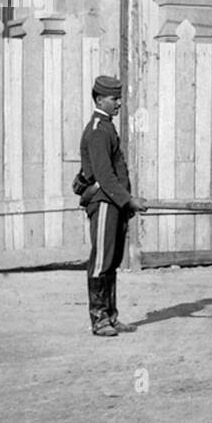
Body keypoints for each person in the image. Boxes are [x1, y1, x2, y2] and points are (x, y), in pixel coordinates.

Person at [79, 75, 147, 337]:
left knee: (112, 260)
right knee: (101, 262)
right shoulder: (98, 129)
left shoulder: (106, 126)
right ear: (99, 99)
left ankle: (111, 316)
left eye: (119, 97)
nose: (119, 103)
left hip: (114, 202)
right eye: (113, 98)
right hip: (105, 202)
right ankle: (98, 320)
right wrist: (129, 200)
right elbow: (105, 177)